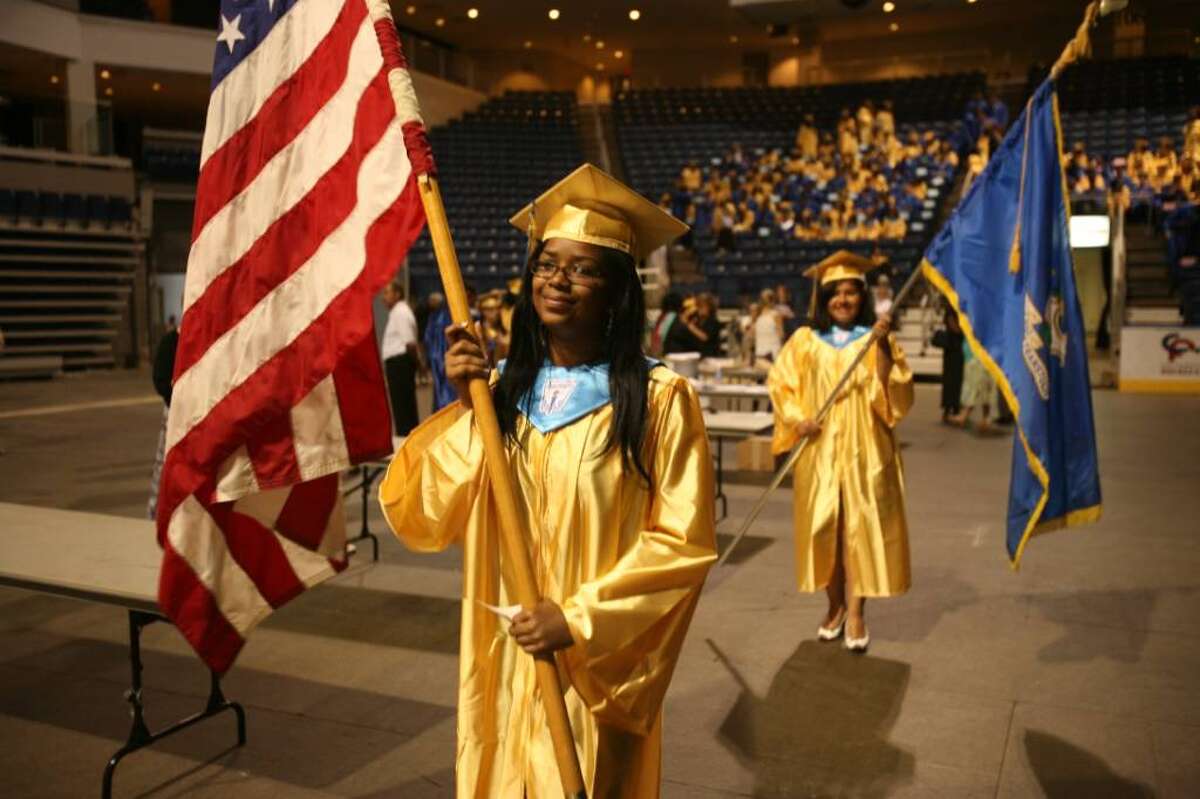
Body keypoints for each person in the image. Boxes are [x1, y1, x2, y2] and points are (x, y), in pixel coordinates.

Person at [379, 164, 717, 797]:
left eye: (584, 268)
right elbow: (429, 513)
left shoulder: (660, 399)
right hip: (506, 658)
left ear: (617, 290)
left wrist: (579, 620)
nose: (559, 280)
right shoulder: (502, 392)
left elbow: (683, 542)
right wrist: (465, 402)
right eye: (547, 264)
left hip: (594, 666)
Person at [767, 251, 913, 653]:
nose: (843, 300)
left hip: (866, 447)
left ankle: (857, 612)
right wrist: (798, 419)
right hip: (820, 448)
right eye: (836, 292)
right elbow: (781, 384)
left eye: (851, 293)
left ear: (862, 297)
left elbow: (894, 391)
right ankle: (833, 606)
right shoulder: (804, 341)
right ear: (824, 297)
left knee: (860, 531)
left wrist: (882, 349)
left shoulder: (876, 338)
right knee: (824, 531)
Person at [424, 283, 478, 412]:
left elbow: (427, 339)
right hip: (449, 362)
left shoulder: (436, 317)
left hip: (442, 362)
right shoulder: (463, 318)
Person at [381, 280, 422, 436]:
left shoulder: (401, 312)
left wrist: (419, 365)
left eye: (387, 292)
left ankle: (407, 439)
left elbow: (410, 343)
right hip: (399, 363)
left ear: (397, 294)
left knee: (403, 406)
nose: (383, 297)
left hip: (400, 363)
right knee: (402, 406)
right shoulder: (398, 312)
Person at [931, 306, 965, 422]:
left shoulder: (955, 305)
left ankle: (952, 409)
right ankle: (950, 410)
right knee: (952, 380)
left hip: (954, 348)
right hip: (953, 349)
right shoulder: (952, 308)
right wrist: (961, 329)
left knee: (954, 380)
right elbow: (954, 326)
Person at [753, 288, 784, 363]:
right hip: (763, 353)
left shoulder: (774, 315)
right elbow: (781, 334)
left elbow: (781, 334)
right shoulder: (759, 316)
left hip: (770, 353)